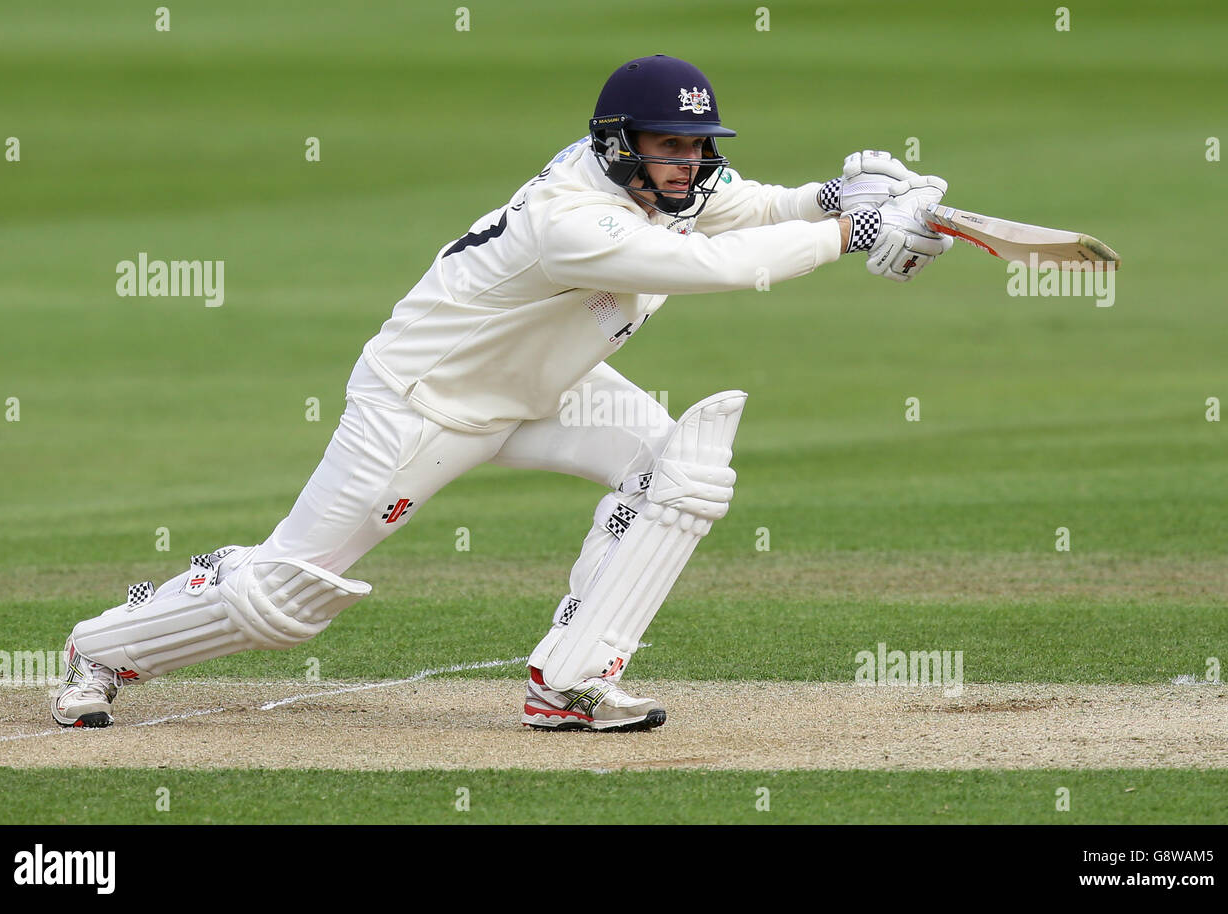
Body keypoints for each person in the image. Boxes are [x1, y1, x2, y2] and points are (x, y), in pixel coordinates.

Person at [52, 54, 952, 732]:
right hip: (425, 405)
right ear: (619, 146)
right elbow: (714, 264)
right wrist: (856, 228)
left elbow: (740, 210)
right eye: (669, 147)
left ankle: (570, 683)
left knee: (680, 472)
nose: (688, 164)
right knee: (288, 600)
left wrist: (831, 194)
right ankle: (100, 648)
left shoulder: (648, 184)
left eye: (697, 147)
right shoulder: (576, 221)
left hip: (548, 386)